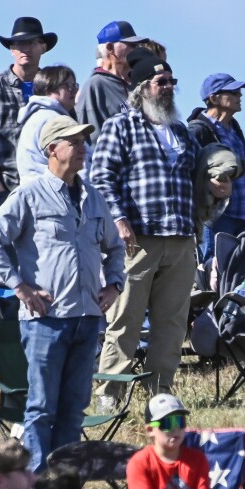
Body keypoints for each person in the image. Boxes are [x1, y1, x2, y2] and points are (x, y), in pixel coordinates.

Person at [0, 115, 124, 469]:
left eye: (84, 141)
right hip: (46, 320)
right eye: (74, 142)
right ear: (52, 149)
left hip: (87, 318)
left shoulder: (93, 197)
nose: (83, 148)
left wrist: (115, 284)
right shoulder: (28, 195)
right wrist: (19, 287)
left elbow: (115, 247)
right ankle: (36, 482)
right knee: (41, 407)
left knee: (75, 408)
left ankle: (65, 480)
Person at [88, 53, 202, 394]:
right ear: (141, 88)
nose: (168, 88)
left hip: (180, 237)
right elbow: (101, 176)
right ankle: (110, 394)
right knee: (125, 319)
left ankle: (160, 392)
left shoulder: (181, 132)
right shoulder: (120, 126)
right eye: (160, 82)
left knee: (172, 323)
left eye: (172, 82)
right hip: (137, 237)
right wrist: (119, 219)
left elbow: (198, 177)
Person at [0, 15, 56, 197]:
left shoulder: (54, 89)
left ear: (43, 47)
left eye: (32, 43)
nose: (26, 49)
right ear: (11, 50)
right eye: (19, 44)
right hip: (8, 190)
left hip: (51, 189)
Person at [187, 73, 245, 261]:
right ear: (214, 98)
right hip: (216, 218)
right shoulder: (197, 130)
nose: (239, 95)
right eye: (233, 92)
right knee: (215, 269)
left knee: (243, 271)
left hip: (244, 216)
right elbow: (187, 170)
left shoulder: (234, 127)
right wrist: (207, 184)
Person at [11, 65, 81, 185]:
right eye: (68, 86)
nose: (74, 90)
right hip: (51, 190)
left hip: (38, 189)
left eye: (75, 85)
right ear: (48, 90)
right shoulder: (53, 120)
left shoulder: (39, 116)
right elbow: (76, 161)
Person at [78, 20, 149, 129]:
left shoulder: (138, 84)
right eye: (132, 45)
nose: (137, 50)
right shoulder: (95, 85)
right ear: (110, 48)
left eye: (138, 46)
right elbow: (91, 133)